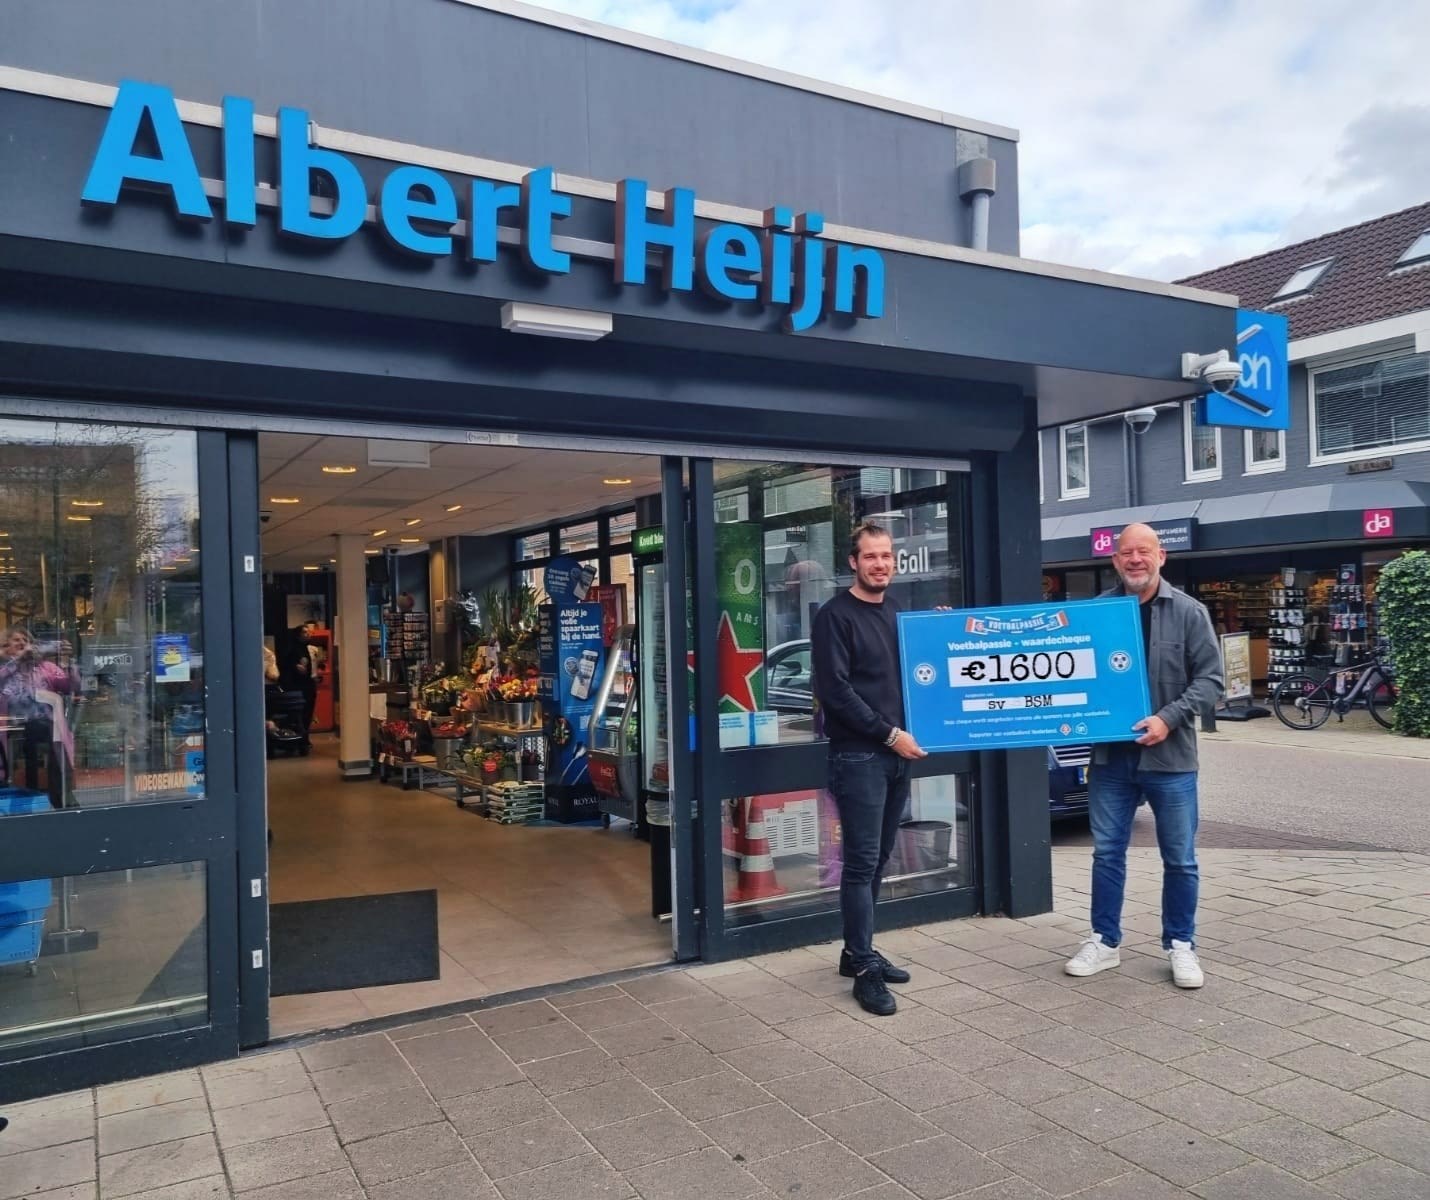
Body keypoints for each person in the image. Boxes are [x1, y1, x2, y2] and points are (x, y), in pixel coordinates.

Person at [1064, 523, 1223, 989]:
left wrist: (1168, 718)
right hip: (1113, 759)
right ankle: (1104, 941)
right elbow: (1057, 666)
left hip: (1171, 759)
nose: (1135, 560)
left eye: (1143, 551)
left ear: (1161, 557)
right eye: (1126, 553)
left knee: (1180, 859)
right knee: (1107, 853)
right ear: (1114, 561)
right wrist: (952, 627)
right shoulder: (1097, 614)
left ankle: (1180, 944)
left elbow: (1211, 681)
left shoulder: (1190, 613)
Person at [811, 521, 928, 1016]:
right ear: (853, 562)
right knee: (860, 863)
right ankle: (863, 969)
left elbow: (917, 671)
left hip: (896, 755)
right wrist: (888, 734)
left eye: (887, 556)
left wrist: (936, 635)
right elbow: (836, 691)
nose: (881, 564)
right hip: (861, 755)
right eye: (871, 556)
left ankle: (855, 951)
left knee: (879, 860)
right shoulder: (835, 617)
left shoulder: (898, 613)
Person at [0, 627, 80, 807]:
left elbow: (70, 686)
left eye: (25, 640)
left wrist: (67, 661)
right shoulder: (4, 666)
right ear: (6, 646)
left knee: (56, 747)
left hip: (43, 728)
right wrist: (18, 660)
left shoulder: (46, 667)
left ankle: (62, 799)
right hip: (11, 730)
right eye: (16, 640)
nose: (22, 643)